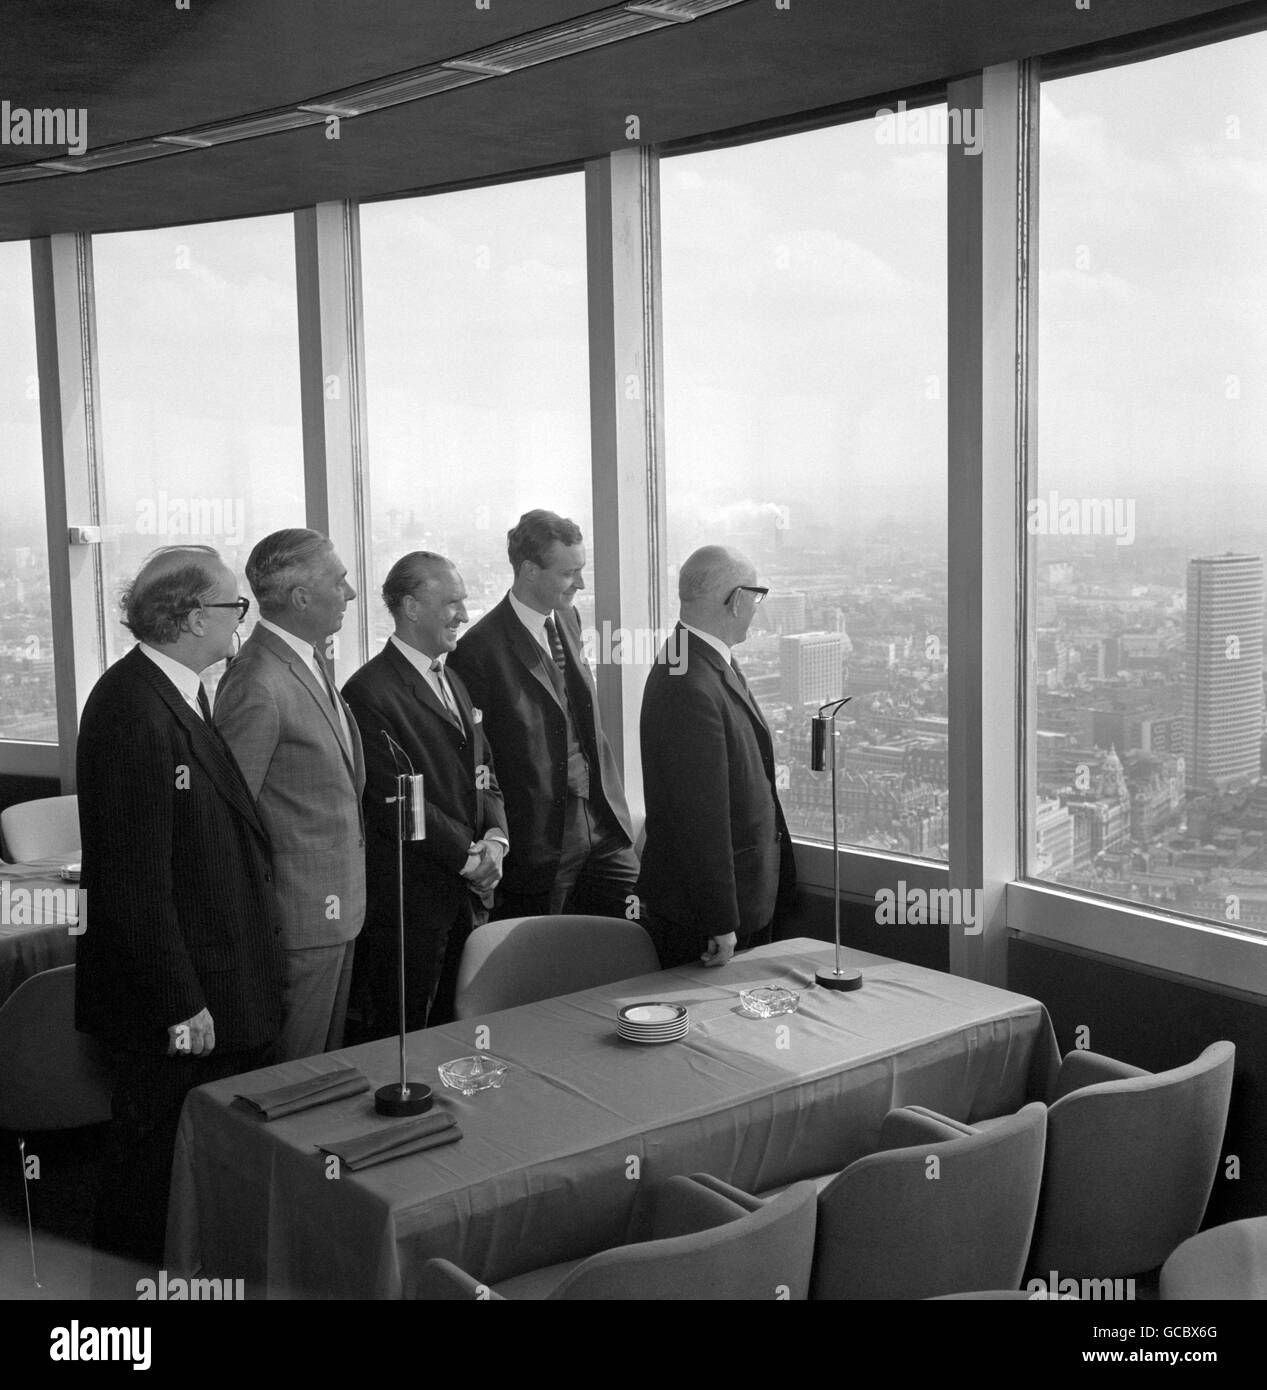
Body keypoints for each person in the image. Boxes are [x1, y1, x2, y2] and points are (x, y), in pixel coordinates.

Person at [74, 546, 283, 1274]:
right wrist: (181, 1003)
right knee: (148, 1172)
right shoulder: (136, 708)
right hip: (178, 1001)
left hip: (210, 981)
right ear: (195, 618)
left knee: (179, 1170)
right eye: (235, 607)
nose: (241, 622)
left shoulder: (175, 692)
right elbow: (132, 882)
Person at [213, 528, 366, 1060]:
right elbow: (227, 818)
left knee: (320, 1069)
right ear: (301, 597)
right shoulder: (257, 679)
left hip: (335, 910)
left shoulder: (306, 660)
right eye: (339, 580)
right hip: (297, 920)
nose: (349, 593)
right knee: (292, 1078)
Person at [343, 552, 508, 1033]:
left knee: (462, 1037)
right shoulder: (369, 692)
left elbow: (485, 769)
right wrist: (470, 858)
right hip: (411, 908)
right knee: (408, 1041)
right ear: (412, 607)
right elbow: (398, 801)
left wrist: (496, 838)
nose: (464, 614)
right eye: (452, 602)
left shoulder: (453, 676)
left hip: (468, 901)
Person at [448, 510, 637, 920]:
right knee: (543, 961)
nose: (581, 583)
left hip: (602, 824)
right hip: (542, 843)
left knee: (645, 922)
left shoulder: (567, 616)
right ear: (530, 571)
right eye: (570, 573)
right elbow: (479, 763)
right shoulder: (478, 651)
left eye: (582, 570)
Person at [637, 546, 797, 969]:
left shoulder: (700, 662)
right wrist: (719, 919)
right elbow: (699, 818)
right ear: (737, 599)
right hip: (707, 923)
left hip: (736, 908)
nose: (757, 609)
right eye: (757, 596)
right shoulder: (688, 682)